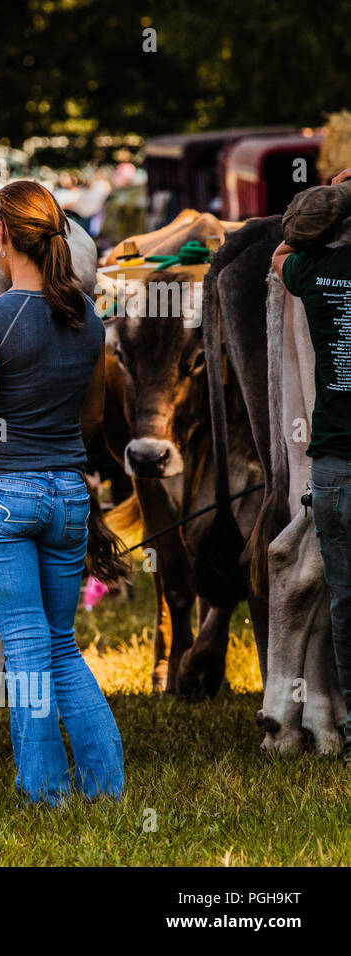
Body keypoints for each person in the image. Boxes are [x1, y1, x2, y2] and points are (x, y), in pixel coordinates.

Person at [0, 179, 123, 806]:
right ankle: (105, 790)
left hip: (1, 495)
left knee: (23, 646)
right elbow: (90, 417)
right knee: (60, 645)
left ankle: (45, 792)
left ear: (0, 236)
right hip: (68, 494)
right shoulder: (88, 321)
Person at [273, 167, 351, 764]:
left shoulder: (306, 273)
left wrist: (326, 203)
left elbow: (282, 252)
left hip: (332, 461)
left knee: (345, 597)